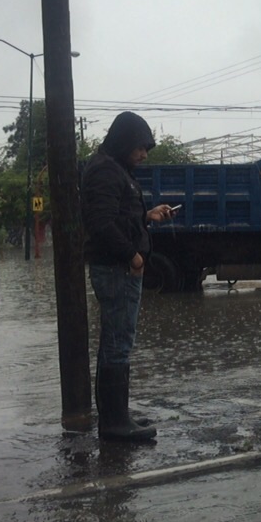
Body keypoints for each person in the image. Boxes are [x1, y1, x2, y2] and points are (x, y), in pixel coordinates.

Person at [81, 111, 176, 442]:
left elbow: (116, 217)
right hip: (117, 269)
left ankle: (116, 416)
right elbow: (101, 223)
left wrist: (146, 216)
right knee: (117, 344)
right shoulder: (106, 172)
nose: (144, 155)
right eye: (140, 147)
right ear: (123, 142)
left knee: (116, 342)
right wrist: (133, 256)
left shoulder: (112, 169)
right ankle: (114, 423)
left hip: (118, 267)